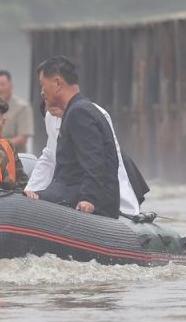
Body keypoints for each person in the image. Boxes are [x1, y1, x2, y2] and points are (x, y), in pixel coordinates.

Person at [25, 55, 120, 218]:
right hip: (66, 192)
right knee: (27, 198)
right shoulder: (80, 109)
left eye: (42, 85)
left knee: (25, 206)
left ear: (57, 83)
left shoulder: (79, 112)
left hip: (79, 199)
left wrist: (88, 198)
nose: (41, 92)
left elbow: (94, 161)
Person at [25, 100, 144, 217]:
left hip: (113, 171)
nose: (51, 106)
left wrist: (123, 206)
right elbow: (49, 156)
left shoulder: (91, 113)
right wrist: (31, 190)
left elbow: (107, 160)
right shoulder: (50, 117)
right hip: (78, 180)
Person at [0, 70, 33, 152]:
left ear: (11, 86)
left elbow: (23, 138)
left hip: (15, 154)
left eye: (3, 84)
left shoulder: (22, 107)